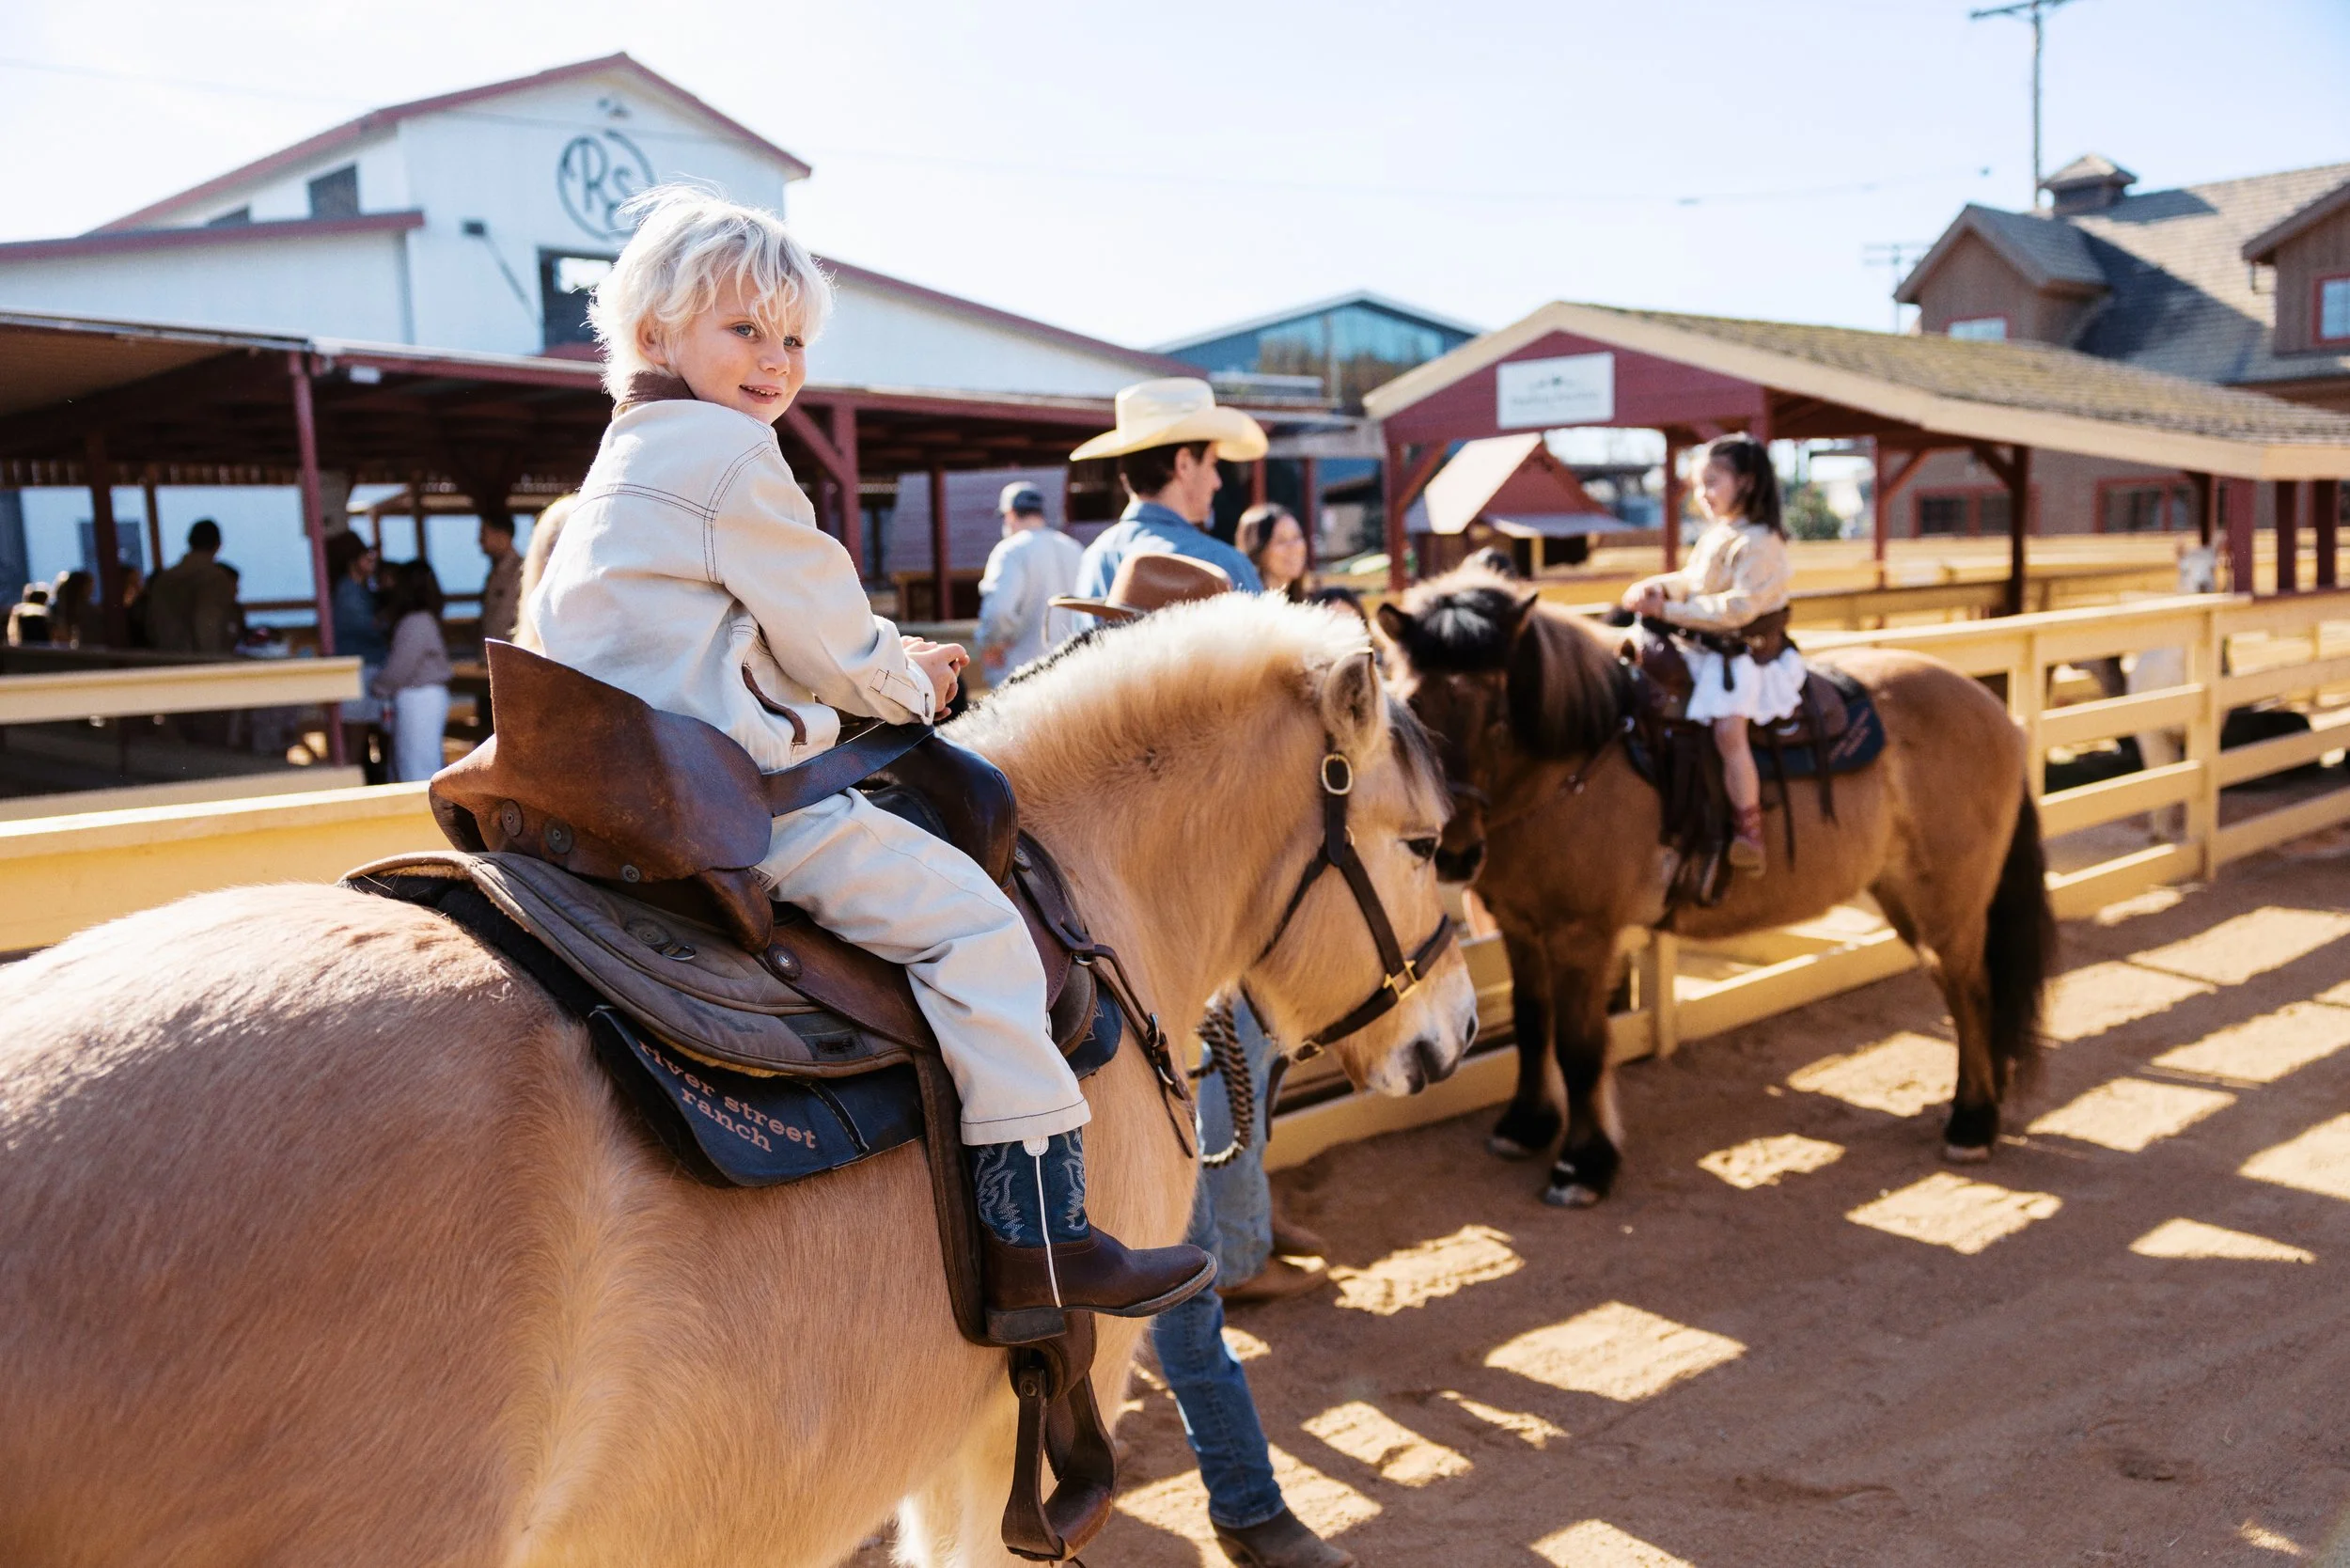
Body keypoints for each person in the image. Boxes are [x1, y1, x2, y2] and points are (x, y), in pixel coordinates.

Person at [530, 184, 1213, 1334]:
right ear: (654, 335)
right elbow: (830, 637)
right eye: (743, 330)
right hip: (728, 803)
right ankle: (1037, 1236)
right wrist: (915, 680)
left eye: (792, 339)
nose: (775, 362)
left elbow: (731, 628)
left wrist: (868, 658)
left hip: (601, 799)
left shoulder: (614, 471)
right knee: (979, 930)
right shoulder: (730, 455)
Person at [1057, 429, 1356, 1568]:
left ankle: (1235, 1500)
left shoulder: (1101, 558)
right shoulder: (1211, 588)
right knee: (1177, 1256)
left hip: (1094, 962)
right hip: (1154, 972)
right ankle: (1243, 1501)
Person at [1620, 434, 1800, 874]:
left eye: (1712, 482)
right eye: (1699, 485)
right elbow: (1696, 578)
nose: (1702, 494)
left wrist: (1669, 609)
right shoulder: (1721, 534)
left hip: (1741, 657)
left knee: (1728, 733)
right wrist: (1660, 587)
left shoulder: (1759, 542)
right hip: (1707, 647)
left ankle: (1748, 827)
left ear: (1747, 481)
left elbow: (1737, 609)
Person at [1071, 378, 1265, 600]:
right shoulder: (1221, 564)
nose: (1217, 482)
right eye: (1212, 464)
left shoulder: (1096, 556)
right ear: (1183, 464)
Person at [973, 480, 1084, 682]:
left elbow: (999, 611)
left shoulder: (1010, 550)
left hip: (1024, 674)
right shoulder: (1074, 548)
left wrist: (991, 644)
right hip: (1073, 672)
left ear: (1011, 514)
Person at [371, 559, 454, 783]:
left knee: (417, 767)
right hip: (423, 697)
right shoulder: (425, 619)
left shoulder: (416, 622)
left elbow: (400, 668)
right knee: (421, 762)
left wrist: (377, 686)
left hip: (419, 699)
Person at [326, 530, 390, 783]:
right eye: (366, 556)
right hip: (359, 672)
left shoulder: (356, 590)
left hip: (363, 670)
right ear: (352, 560)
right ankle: (351, 788)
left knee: (359, 735)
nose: (371, 562)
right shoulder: (349, 593)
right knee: (355, 736)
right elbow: (370, 628)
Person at [145, 519, 242, 655]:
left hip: (166, 660)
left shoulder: (164, 579)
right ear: (218, 545)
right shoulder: (213, 578)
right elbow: (208, 626)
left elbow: (152, 626)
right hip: (200, 663)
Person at [1235, 502, 1309, 604]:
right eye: (1281, 540)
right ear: (1258, 551)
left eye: (1297, 537)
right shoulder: (1245, 608)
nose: (1293, 547)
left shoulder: (1304, 609)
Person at [477, 512, 525, 646]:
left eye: (484, 534)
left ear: (502, 535)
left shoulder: (522, 571)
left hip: (513, 657)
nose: (480, 541)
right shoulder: (494, 573)